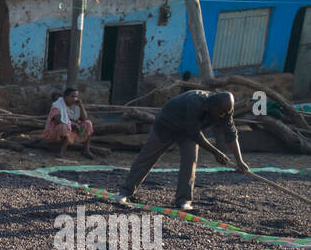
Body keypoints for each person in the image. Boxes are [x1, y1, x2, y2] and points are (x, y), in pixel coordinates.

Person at [114, 89, 250, 211]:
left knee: (190, 161)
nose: (222, 116)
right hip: (167, 125)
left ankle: (183, 200)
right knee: (147, 158)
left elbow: (231, 134)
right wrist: (215, 152)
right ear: (212, 105)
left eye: (225, 113)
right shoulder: (195, 102)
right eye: (219, 112)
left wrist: (239, 161)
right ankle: (125, 192)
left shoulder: (225, 111)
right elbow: (195, 133)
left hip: (188, 133)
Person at [42, 86, 94, 158]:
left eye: (76, 97)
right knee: (63, 126)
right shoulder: (57, 105)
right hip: (55, 132)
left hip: (73, 130)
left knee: (88, 123)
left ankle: (86, 150)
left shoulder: (75, 105)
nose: (74, 99)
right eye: (72, 96)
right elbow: (58, 120)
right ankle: (61, 151)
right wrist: (72, 124)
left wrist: (81, 106)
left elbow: (84, 118)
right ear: (65, 97)